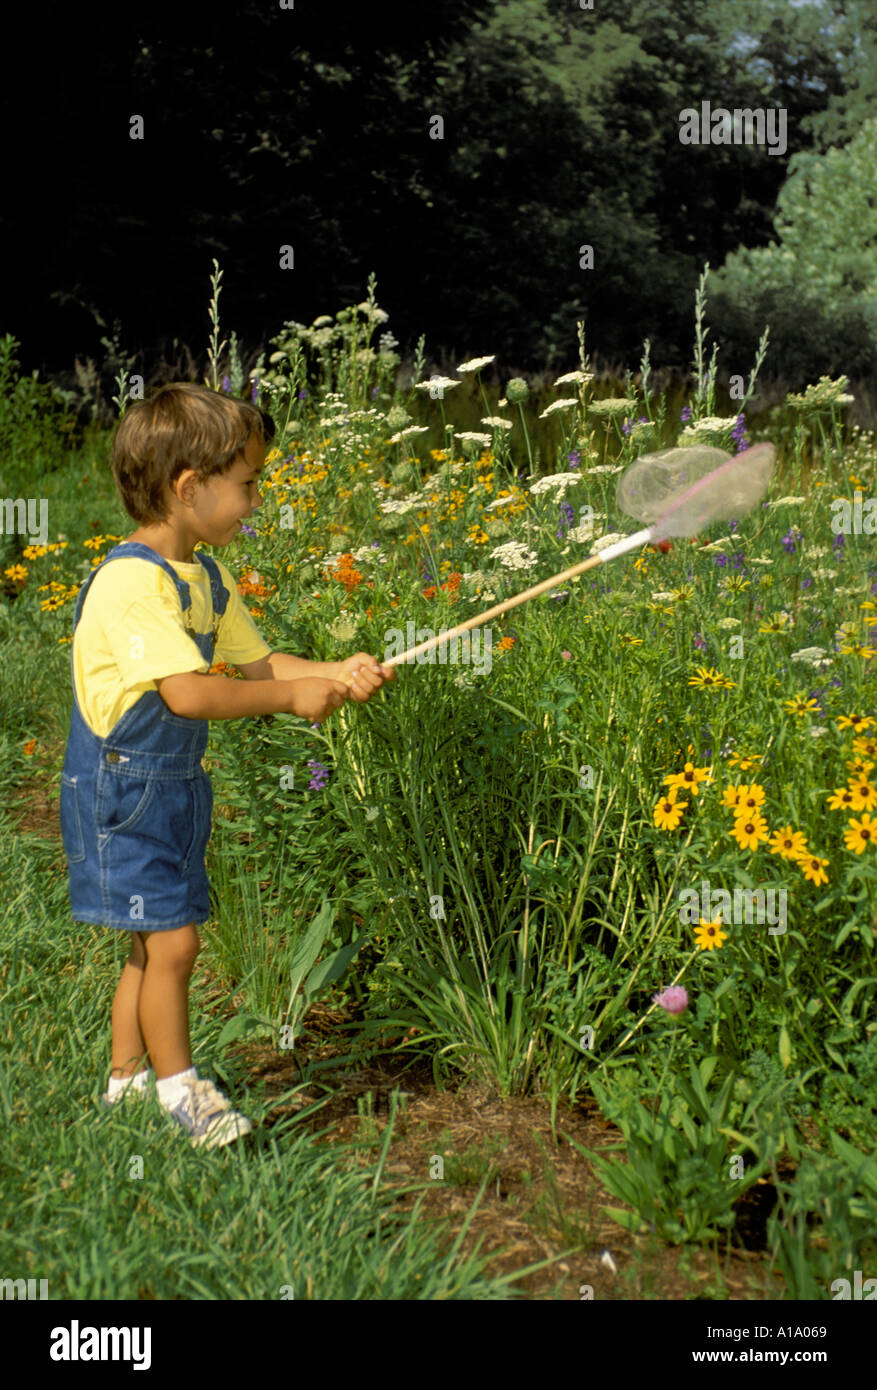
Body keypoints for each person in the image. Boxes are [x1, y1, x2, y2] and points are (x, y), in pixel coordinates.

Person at [59, 381, 395, 1149]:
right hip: (119, 787)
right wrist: (291, 699)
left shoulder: (205, 578)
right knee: (174, 943)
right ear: (187, 488)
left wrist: (334, 672)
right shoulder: (131, 582)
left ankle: (124, 1081)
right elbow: (184, 695)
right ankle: (183, 1092)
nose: (254, 501)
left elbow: (258, 663)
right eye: (246, 485)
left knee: (150, 940)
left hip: (170, 786)